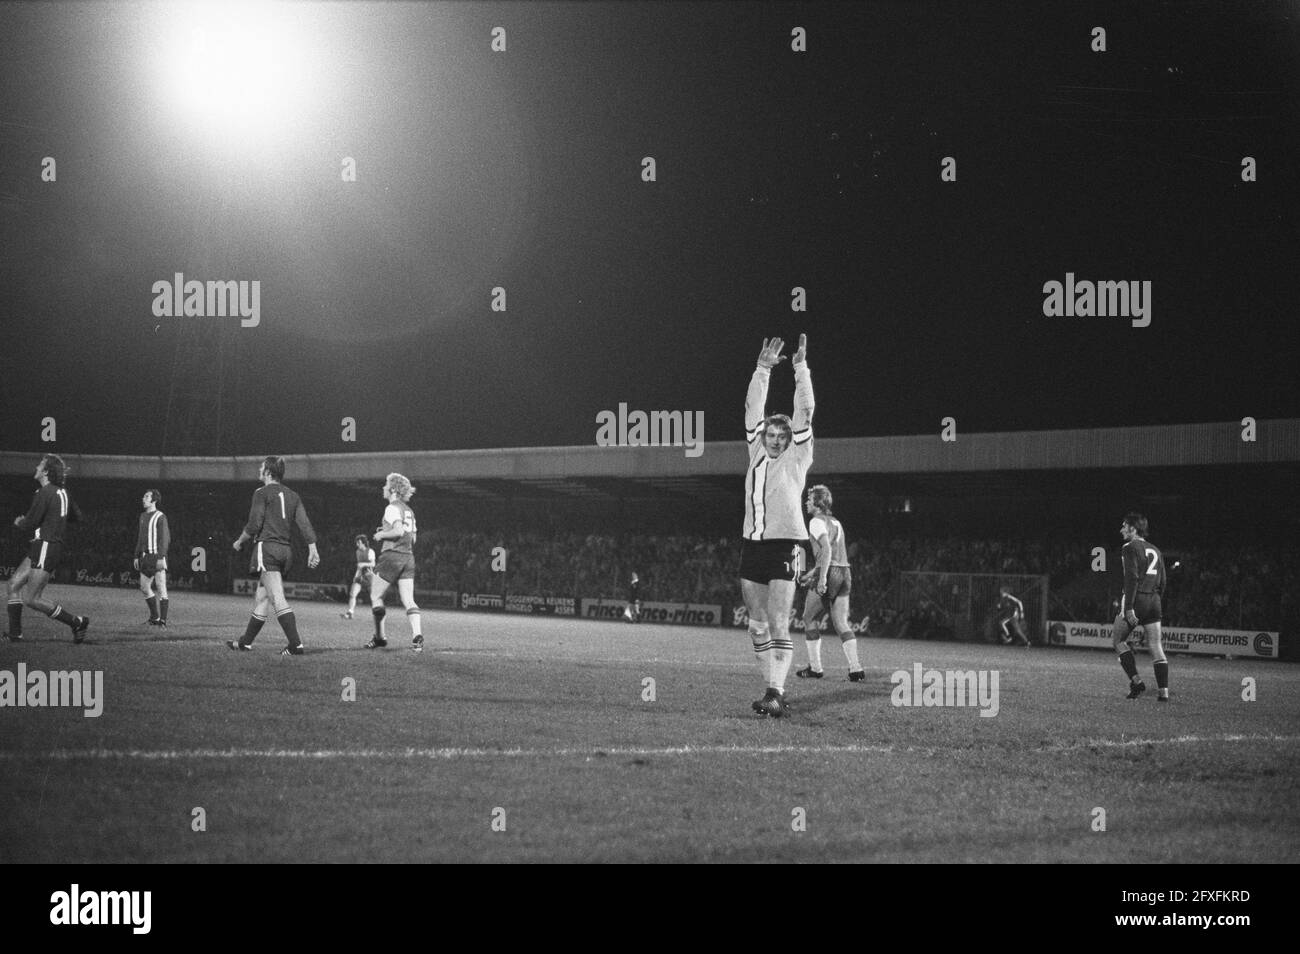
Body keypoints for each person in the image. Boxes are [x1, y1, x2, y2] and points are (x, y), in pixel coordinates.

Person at [740, 335, 814, 718]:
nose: (773, 440)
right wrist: (763, 369)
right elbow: (754, 406)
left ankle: (776, 691)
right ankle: (770, 689)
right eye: (769, 434)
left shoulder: (798, 457)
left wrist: (801, 371)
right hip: (752, 544)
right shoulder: (755, 449)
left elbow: (805, 411)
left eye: (780, 437)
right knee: (756, 626)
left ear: (789, 440)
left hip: (786, 545)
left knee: (779, 620)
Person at [226, 456, 320, 655]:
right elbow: (304, 524)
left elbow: (254, 525)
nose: (259, 470)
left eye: (261, 467)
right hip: (285, 551)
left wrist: (239, 541)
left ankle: (296, 644)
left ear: (268, 472)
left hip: (267, 548)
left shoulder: (261, 492)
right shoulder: (293, 495)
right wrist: (313, 548)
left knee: (277, 598)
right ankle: (245, 642)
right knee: (263, 597)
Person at [4, 453, 89, 643]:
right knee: (13, 584)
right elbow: (77, 517)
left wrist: (20, 522)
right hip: (43, 545)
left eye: (39, 465)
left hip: (46, 545)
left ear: (46, 472)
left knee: (32, 598)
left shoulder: (45, 492)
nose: (36, 468)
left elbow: (29, 522)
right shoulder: (62, 492)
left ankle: (76, 622)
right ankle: (15, 634)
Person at [795, 484, 865, 681]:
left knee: (809, 617)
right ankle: (856, 669)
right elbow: (833, 555)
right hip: (845, 572)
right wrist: (811, 575)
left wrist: (822, 578)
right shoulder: (835, 521)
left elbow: (826, 550)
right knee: (842, 622)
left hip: (830, 572)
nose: (806, 502)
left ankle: (815, 668)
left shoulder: (816, 521)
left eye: (809, 499)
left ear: (817, 503)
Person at [1112, 512, 1169, 701]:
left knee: (1119, 641)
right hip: (1154, 600)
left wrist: (1129, 607)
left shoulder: (1129, 547)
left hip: (1136, 600)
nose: (1121, 530)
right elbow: (1163, 581)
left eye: (1123, 526)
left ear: (1133, 529)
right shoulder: (1156, 550)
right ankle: (1163, 693)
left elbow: (1132, 578)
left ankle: (1137, 682)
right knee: (1155, 645)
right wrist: (1155, 598)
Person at [365, 472, 423, 652]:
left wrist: (382, 534)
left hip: (391, 556)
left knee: (376, 596)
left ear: (392, 490)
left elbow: (398, 531)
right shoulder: (410, 511)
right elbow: (412, 539)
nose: (383, 488)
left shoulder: (392, 508)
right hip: (408, 557)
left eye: (385, 485)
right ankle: (417, 635)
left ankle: (380, 637)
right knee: (409, 600)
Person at [135, 489, 171, 627]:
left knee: (161, 588)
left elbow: (165, 538)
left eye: (147, 496)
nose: (143, 498)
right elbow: (140, 537)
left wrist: (161, 557)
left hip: (157, 556)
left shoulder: (160, 516)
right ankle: (155, 617)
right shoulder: (143, 516)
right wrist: (136, 555)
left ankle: (163, 621)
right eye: (144, 496)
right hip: (146, 557)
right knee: (144, 587)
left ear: (154, 500)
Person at [341, 534, 375, 618]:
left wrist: (363, 564)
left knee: (374, 597)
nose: (357, 544)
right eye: (357, 542)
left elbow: (373, 564)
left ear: (364, 543)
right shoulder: (358, 552)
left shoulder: (370, 551)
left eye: (359, 542)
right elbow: (359, 566)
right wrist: (356, 576)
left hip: (369, 576)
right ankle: (350, 613)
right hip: (360, 576)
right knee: (352, 594)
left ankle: (377, 613)